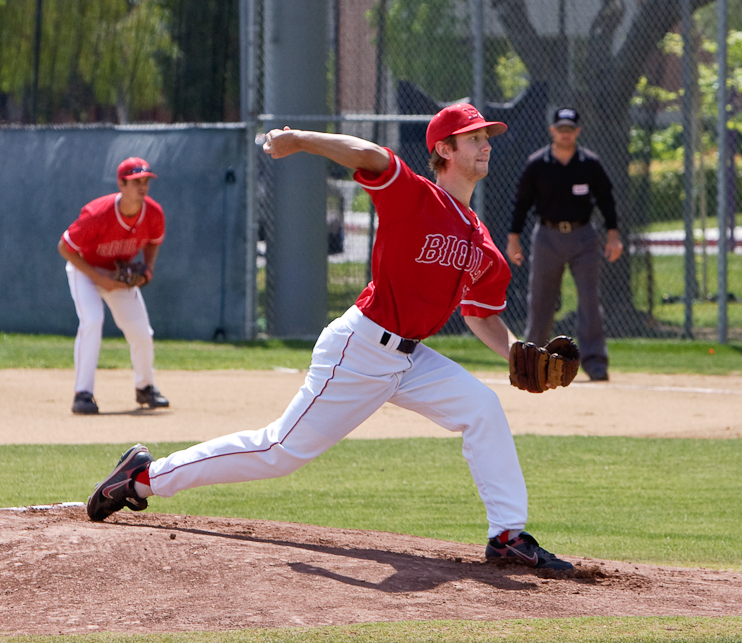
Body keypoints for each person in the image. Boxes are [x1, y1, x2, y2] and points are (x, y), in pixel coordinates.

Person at [86, 104, 573, 571]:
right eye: (474, 138)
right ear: (444, 150)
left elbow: (481, 314)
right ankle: (143, 477)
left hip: (410, 359)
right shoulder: (416, 197)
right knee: (278, 452)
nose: (485, 145)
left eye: (486, 137)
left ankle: (508, 535)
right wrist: (299, 140)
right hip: (360, 349)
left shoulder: (482, 242)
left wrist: (512, 349)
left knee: (482, 408)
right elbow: (368, 154)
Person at [507, 107, 623, 382]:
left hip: (584, 237)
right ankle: (533, 362)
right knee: (540, 301)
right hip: (547, 237)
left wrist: (613, 235)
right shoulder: (537, 163)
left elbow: (606, 199)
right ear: (552, 131)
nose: (565, 134)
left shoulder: (589, 164)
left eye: (570, 129)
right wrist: (513, 239)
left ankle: (595, 362)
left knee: (589, 300)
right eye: (561, 129)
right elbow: (521, 202)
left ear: (577, 132)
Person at [58, 157, 169, 415]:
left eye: (145, 181)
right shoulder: (98, 213)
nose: (142, 186)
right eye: (135, 181)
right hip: (85, 269)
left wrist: (147, 269)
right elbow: (65, 248)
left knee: (141, 330)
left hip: (118, 275)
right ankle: (82, 394)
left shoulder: (153, 213)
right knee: (92, 320)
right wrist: (98, 279)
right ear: (121, 183)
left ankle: (145, 388)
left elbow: (154, 241)